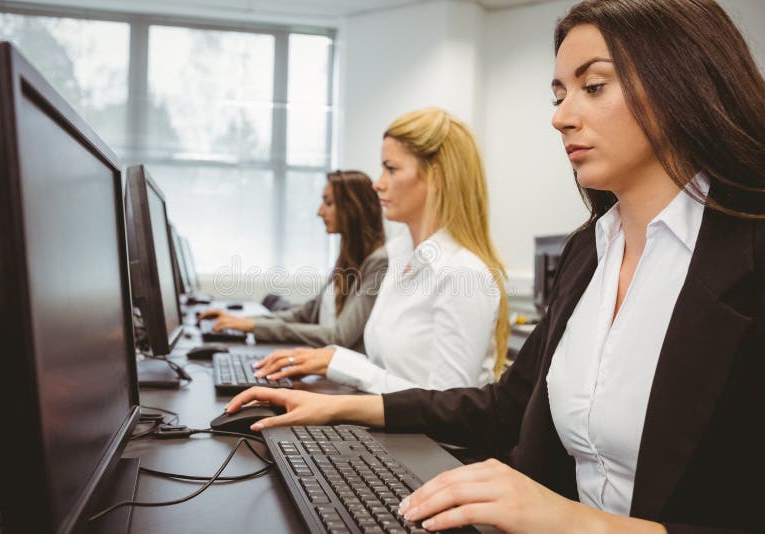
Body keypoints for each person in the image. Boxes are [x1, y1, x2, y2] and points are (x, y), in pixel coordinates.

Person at [224, 0, 765, 531]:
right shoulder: (590, 251)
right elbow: (504, 408)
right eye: (558, 95)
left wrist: (574, 522)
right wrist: (341, 409)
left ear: (682, 84)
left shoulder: (748, 257)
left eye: (593, 87)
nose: (560, 117)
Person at [253, 108, 511, 393]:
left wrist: (337, 363)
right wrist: (324, 362)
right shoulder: (400, 257)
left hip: (432, 438)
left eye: (391, 169)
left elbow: (447, 406)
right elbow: (384, 370)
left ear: (437, 176)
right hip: (395, 431)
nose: (378, 183)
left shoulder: (463, 272)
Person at [200, 170, 387, 353]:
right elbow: (305, 314)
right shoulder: (347, 260)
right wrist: (244, 321)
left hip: (344, 376)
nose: (320, 212)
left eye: (329, 203)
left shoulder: (378, 264)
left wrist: (252, 326)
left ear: (354, 208)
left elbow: (339, 336)